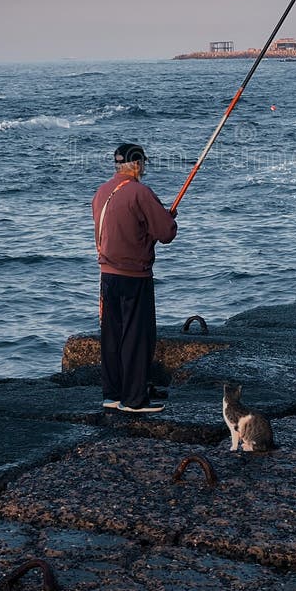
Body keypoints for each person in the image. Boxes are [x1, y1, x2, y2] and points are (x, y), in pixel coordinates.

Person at [92, 143, 177, 413]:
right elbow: (166, 233)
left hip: (107, 275)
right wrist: (168, 219)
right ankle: (134, 399)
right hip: (134, 276)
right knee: (136, 337)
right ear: (137, 164)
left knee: (112, 336)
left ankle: (112, 394)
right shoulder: (140, 192)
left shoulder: (102, 191)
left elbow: (125, 231)